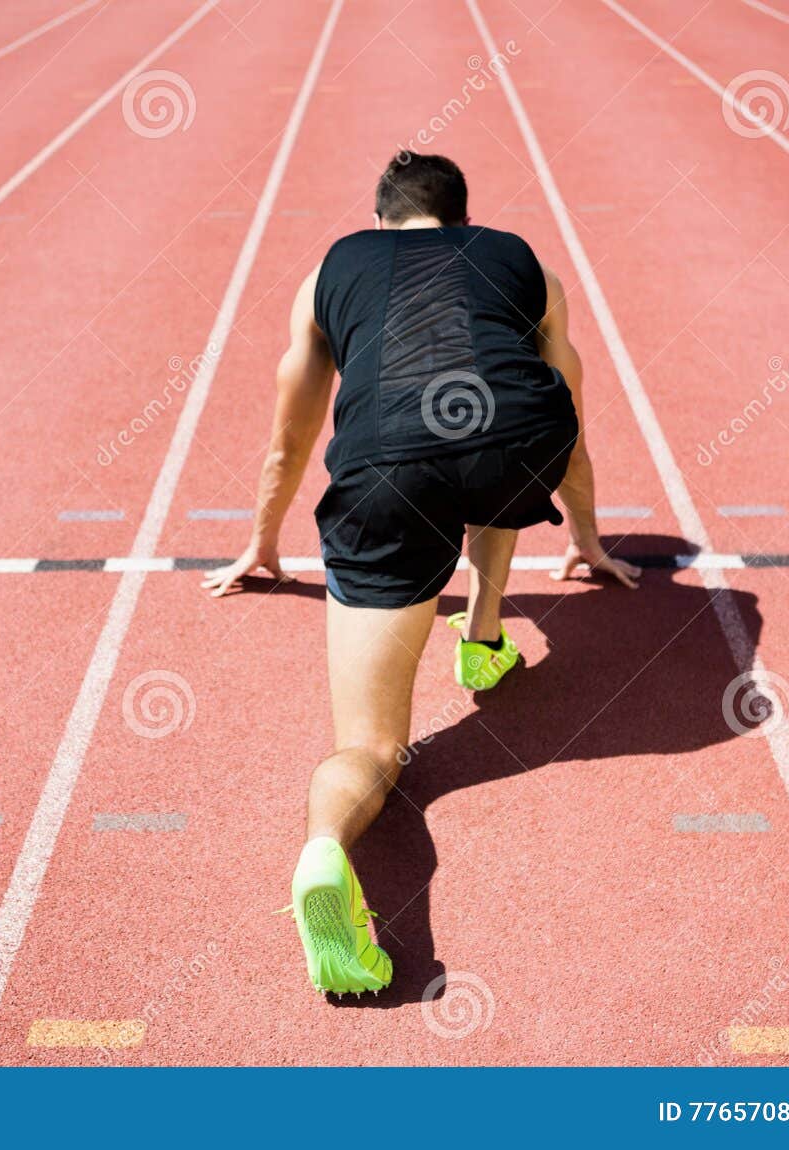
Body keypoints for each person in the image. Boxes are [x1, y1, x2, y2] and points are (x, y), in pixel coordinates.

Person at [202, 153, 640, 995]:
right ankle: (482, 637)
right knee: (496, 435)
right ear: (465, 219)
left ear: (378, 222)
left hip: (386, 471)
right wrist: (585, 535)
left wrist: (263, 541)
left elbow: (289, 438)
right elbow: (572, 419)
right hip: (521, 442)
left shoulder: (330, 272)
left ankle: (324, 851)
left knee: (369, 746)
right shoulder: (525, 262)